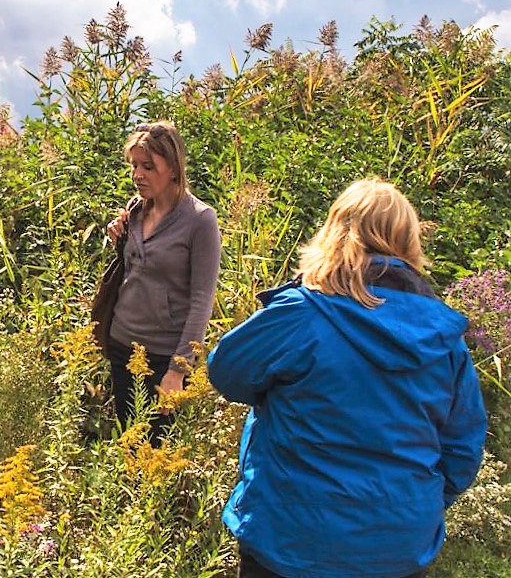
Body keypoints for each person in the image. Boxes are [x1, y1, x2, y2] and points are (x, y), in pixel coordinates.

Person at [207, 178, 487, 578]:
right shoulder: (442, 337)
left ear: (334, 234)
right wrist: (409, 503)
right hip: (397, 546)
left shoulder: (301, 315)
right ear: (408, 243)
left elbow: (226, 371)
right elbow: (463, 448)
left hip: (291, 537)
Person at [104, 120, 221, 443]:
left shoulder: (200, 220)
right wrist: (117, 238)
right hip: (122, 346)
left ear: (172, 167)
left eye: (148, 166)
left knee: (157, 454)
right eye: (134, 165)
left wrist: (178, 370)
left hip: (162, 357)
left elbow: (202, 300)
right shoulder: (136, 209)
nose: (137, 175)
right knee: (127, 443)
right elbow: (135, 270)